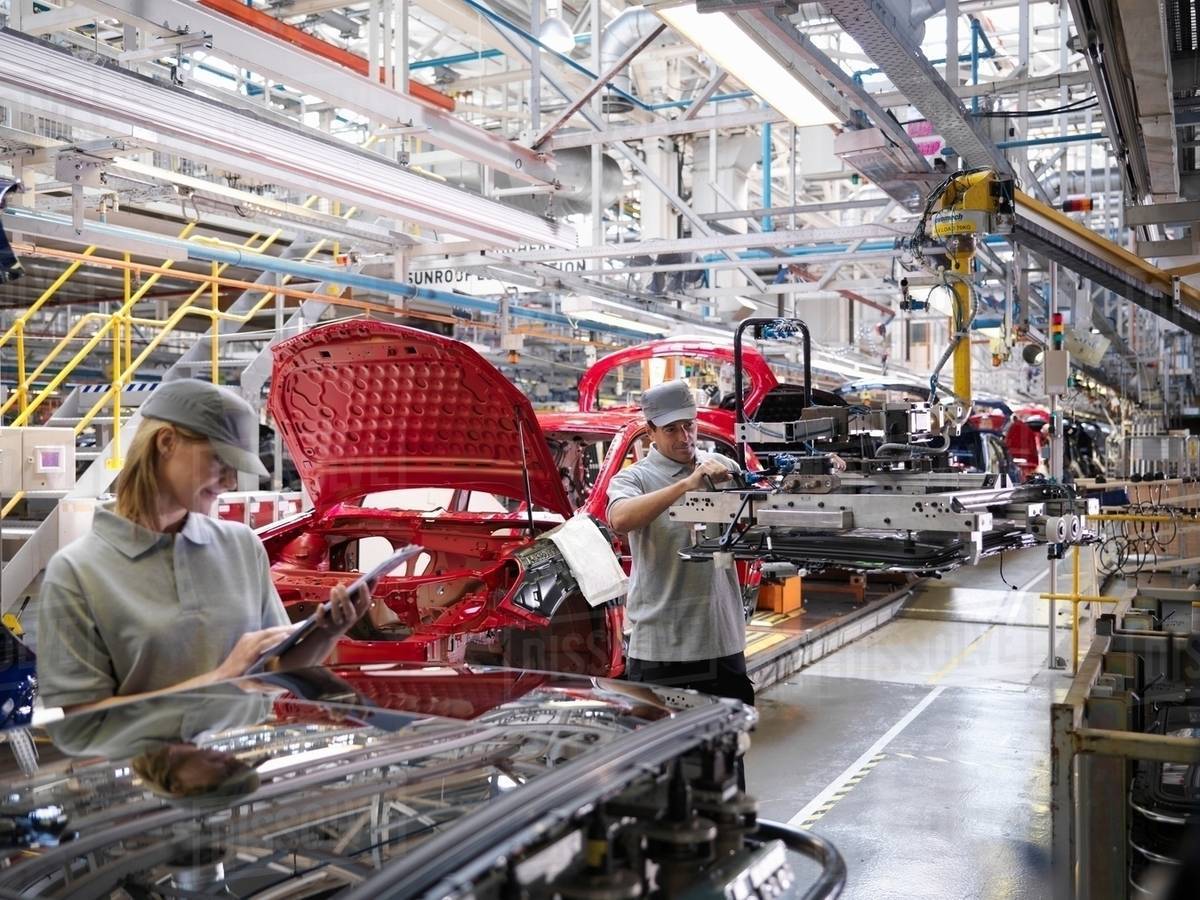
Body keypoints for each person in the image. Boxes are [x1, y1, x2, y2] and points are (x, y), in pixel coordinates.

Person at [36, 379, 369, 713]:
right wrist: (223, 679)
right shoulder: (77, 573)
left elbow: (274, 669)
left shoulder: (241, 547)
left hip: (242, 758)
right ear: (165, 442)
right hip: (149, 764)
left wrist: (326, 633)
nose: (230, 482)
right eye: (219, 461)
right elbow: (83, 720)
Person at [606, 380, 754, 707]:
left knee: (725, 752)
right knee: (664, 753)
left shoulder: (722, 469)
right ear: (651, 432)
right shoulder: (634, 478)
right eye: (671, 429)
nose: (684, 437)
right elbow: (620, 519)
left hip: (722, 641)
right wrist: (687, 484)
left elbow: (766, 504)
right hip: (662, 648)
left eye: (689, 426)